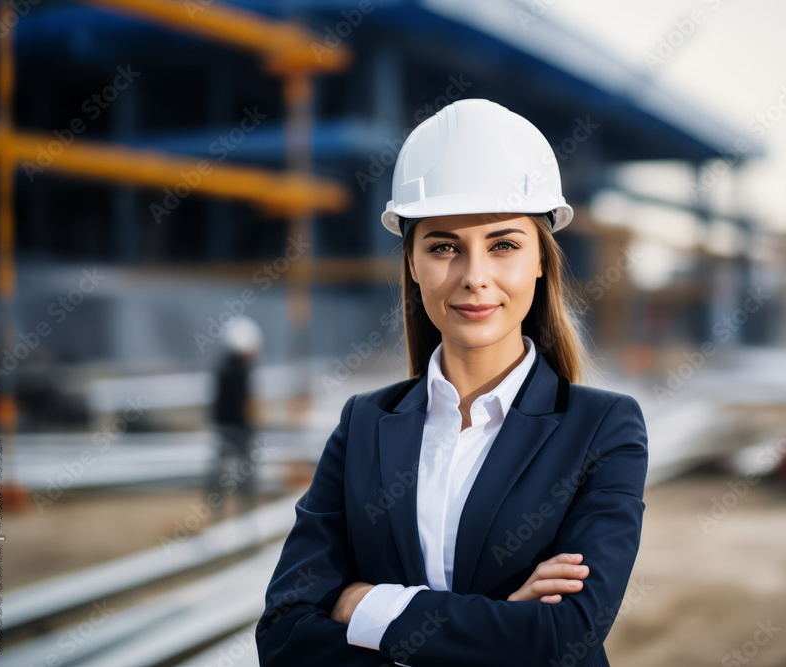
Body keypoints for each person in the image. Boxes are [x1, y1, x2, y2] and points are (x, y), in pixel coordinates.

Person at [256, 99, 649, 667]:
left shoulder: (603, 428)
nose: (474, 276)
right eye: (443, 247)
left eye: (503, 245)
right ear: (413, 264)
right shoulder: (364, 423)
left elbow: (564, 635)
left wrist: (364, 604)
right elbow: (284, 634)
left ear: (541, 260)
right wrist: (499, 626)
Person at [207, 316, 262, 517]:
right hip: (238, 429)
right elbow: (248, 403)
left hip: (225, 427)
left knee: (220, 471)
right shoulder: (242, 370)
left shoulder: (223, 367)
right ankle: (244, 508)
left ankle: (218, 508)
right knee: (243, 472)